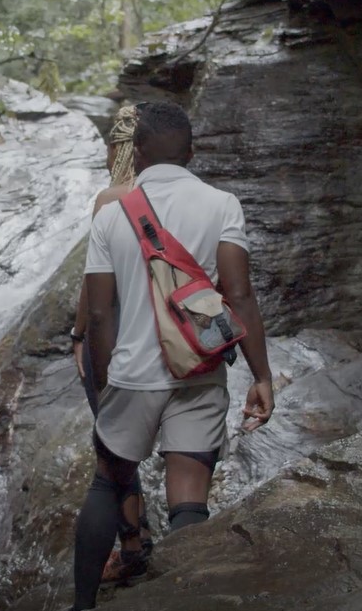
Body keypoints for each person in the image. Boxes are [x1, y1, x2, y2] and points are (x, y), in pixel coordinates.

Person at [71, 102, 274, 610]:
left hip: (133, 376)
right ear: (192, 151)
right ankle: (187, 600)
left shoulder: (113, 213)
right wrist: (262, 376)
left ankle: (81, 606)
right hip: (199, 370)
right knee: (190, 497)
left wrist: (104, 383)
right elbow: (240, 294)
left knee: (106, 483)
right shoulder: (222, 203)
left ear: (135, 153)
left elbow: (98, 315)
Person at [68, 105, 153, 583]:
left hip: (118, 337)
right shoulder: (175, 195)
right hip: (166, 337)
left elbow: (92, 284)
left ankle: (132, 545)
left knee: (114, 447)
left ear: (116, 151)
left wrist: (79, 335)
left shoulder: (110, 199)